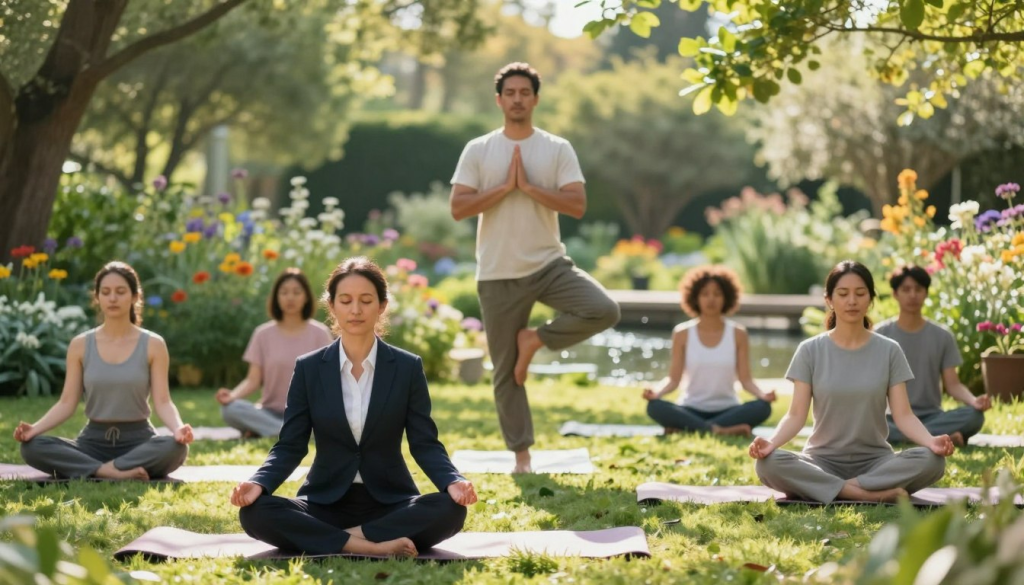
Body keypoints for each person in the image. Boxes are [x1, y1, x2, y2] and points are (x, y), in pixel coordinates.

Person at [231, 257, 477, 557]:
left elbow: (425, 443)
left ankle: (338, 541)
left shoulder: (406, 367)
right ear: (332, 306)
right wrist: (258, 482)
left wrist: (453, 480)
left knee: (450, 509)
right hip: (324, 502)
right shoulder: (309, 369)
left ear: (382, 306)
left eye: (366, 300)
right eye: (345, 300)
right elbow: (290, 446)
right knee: (255, 512)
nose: (356, 310)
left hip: (391, 504)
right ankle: (371, 546)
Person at [449, 62, 620, 473]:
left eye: (525, 92)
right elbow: (459, 208)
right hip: (497, 273)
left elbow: (577, 204)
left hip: (548, 263)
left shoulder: (556, 148)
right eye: (510, 93)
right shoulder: (479, 149)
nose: (518, 99)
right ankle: (522, 456)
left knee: (604, 309)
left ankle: (535, 340)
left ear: (536, 99)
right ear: (499, 100)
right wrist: (504, 189)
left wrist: (529, 188)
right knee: (506, 372)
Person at [749, 260, 952, 504]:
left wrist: (932, 442)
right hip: (821, 461)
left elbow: (904, 416)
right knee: (768, 465)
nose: (852, 301)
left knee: (932, 461)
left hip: (876, 463)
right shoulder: (809, 350)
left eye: (860, 293)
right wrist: (770, 443)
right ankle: (864, 494)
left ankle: (832, 489)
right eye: (843, 294)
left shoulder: (890, 350)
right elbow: (795, 416)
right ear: (829, 300)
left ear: (871, 298)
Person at [14, 261, 193, 480]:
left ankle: (97, 470)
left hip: (139, 442)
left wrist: (178, 429)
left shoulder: (153, 344)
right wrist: (34, 429)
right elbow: (66, 403)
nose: (113, 298)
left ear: (135, 297)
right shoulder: (80, 345)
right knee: (32, 447)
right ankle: (109, 471)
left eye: (120, 292)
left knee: (175, 448)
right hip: (92, 443)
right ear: (97, 297)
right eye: (106, 292)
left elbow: (163, 402)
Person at [642, 266, 774, 436]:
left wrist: (763, 394)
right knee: (655, 407)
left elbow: (746, 380)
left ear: (727, 297)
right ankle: (719, 430)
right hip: (690, 408)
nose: (711, 299)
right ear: (695, 298)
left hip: (728, 410)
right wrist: (656, 392)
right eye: (705, 294)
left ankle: (688, 429)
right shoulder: (682, 333)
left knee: (763, 407)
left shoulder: (738, 334)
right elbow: (673, 379)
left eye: (717, 294)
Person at [875, 265, 988, 446]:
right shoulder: (879, 334)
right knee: (870, 426)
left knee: (974, 416)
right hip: (893, 418)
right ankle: (938, 437)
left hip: (932, 416)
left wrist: (974, 401)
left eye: (918, 289)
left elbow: (953, 385)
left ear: (926, 293)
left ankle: (915, 437)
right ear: (895, 294)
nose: (913, 295)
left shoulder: (942, 336)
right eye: (906, 289)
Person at [216, 268, 332, 438]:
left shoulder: (320, 333)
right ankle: (287, 432)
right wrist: (232, 396)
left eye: (296, 292)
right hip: (269, 412)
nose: (290, 297)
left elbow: (330, 380)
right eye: (284, 292)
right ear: (276, 298)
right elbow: (252, 380)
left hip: (308, 414)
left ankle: (270, 431)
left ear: (306, 296)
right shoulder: (262, 334)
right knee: (230, 410)